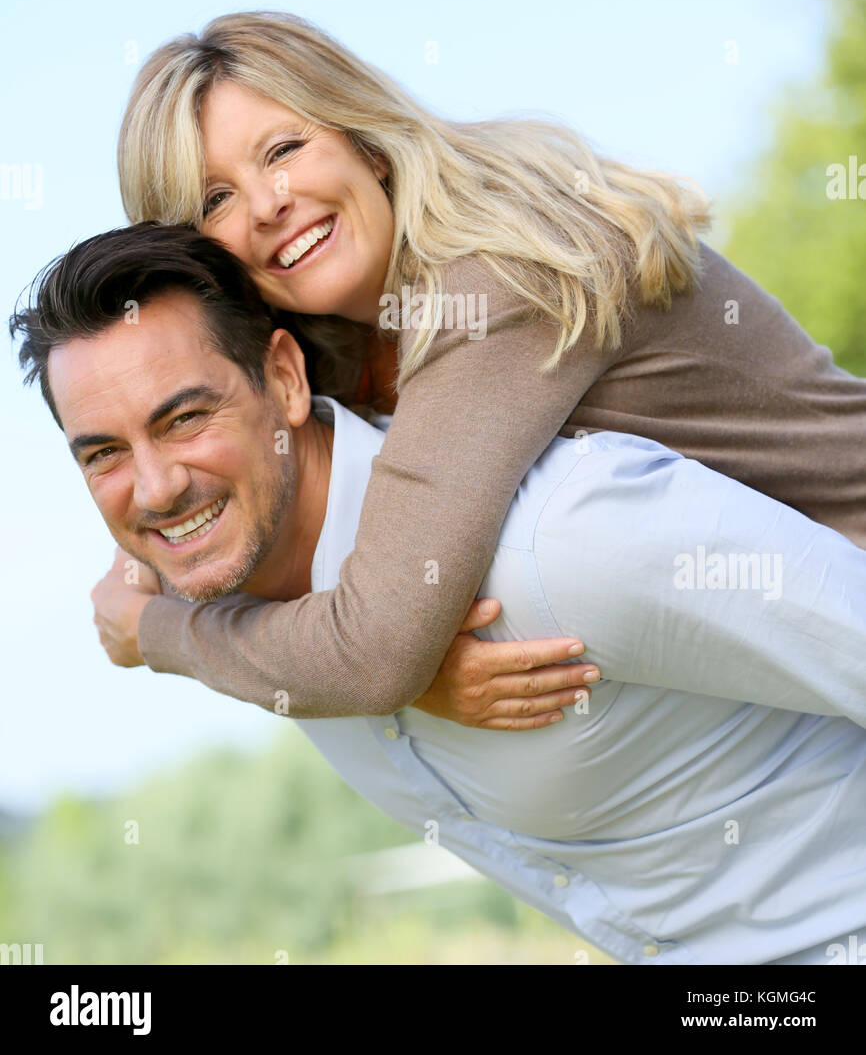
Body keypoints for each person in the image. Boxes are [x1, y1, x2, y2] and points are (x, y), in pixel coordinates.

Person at [11, 223, 866, 966]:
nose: (155, 489)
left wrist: (153, 629)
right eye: (103, 455)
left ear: (283, 379)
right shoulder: (238, 600)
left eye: (185, 418)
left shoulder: (562, 540)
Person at [99, 9, 866, 721]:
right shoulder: (346, 348)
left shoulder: (491, 283)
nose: (270, 203)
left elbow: (373, 655)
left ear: (364, 140)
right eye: (217, 200)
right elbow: (215, 530)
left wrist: (157, 633)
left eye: (285, 150)